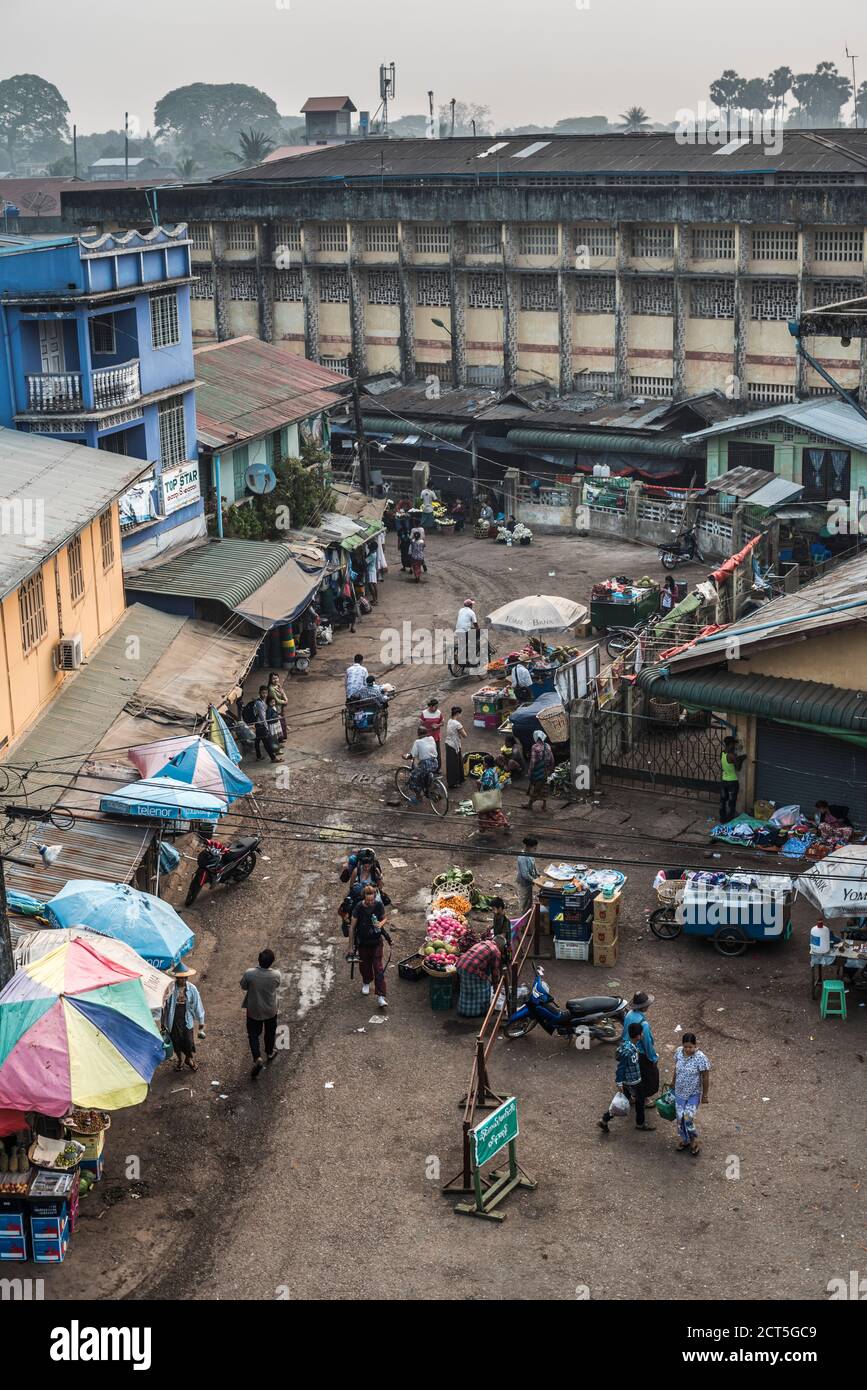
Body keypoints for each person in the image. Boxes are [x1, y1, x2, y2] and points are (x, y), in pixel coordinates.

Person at [598, 1022, 656, 1133]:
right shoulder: (629, 1051)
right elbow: (621, 1067)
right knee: (640, 1102)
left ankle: (605, 1119)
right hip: (634, 1082)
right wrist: (618, 1082)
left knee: (620, 1102)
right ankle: (640, 1123)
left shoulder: (629, 1045)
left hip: (627, 1082)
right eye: (642, 1033)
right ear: (638, 1036)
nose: (643, 1035)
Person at [241, 948, 283, 1079]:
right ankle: (269, 1053)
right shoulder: (276, 975)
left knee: (253, 1035)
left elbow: (244, 986)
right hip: (270, 1010)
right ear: (272, 962)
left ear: (258, 960)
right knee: (270, 1032)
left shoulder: (250, 974)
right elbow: (277, 986)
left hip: (254, 1010)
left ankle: (257, 1057)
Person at [348, 884, 390, 1008]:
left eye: (372, 900)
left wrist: (380, 924)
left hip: (376, 941)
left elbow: (384, 918)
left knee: (378, 968)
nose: (370, 902)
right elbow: (352, 927)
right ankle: (366, 982)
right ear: (364, 898)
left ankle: (381, 996)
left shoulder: (378, 905)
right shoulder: (358, 907)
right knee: (365, 965)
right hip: (363, 942)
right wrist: (350, 946)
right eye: (368, 900)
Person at [672, 1032, 711, 1156]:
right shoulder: (678, 1052)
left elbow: (705, 1077)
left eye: (690, 1047)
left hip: (693, 1095)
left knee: (688, 1118)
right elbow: (675, 1068)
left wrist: (705, 1095)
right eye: (685, 1047)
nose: (688, 1049)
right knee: (679, 1118)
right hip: (679, 1093)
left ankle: (693, 1140)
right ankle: (685, 1139)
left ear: (695, 1045)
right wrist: (673, 1082)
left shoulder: (701, 1058)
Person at [162, 963, 205, 1073]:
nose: (182, 980)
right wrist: (163, 1022)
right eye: (180, 978)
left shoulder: (192, 989)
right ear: (176, 978)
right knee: (176, 1041)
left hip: (187, 1018)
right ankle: (180, 1060)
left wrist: (201, 1023)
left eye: (184, 978)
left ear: (187, 978)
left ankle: (188, 1059)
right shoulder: (170, 988)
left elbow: (197, 1005)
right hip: (173, 1018)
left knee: (188, 1041)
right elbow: (164, 1005)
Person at [622, 991, 660, 1105]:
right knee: (647, 1076)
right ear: (644, 1006)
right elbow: (647, 1044)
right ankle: (644, 1098)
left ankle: (631, 1095)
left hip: (628, 1048)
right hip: (641, 1054)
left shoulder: (629, 1015)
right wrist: (653, 1058)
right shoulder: (644, 1024)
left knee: (631, 1074)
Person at [456, 935, 505, 1017]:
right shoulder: (496, 951)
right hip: (471, 969)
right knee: (485, 986)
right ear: (500, 946)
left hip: (460, 965)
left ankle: (463, 1010)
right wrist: (495, 988)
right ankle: (480, 1012)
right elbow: (495, 972)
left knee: (466, 990)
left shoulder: (483, 943)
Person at [476, 754, 510, 835]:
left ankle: (482, 829)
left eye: (484, 762)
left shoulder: (487, 772)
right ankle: (505, 823)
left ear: (486, 764)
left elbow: (486, 784)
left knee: (482, 812)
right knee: (495, 812)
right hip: (494, 794)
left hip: (488, 795)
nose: (483, 763)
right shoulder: (494, 770)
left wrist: (479, 782)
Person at [406, 725, 438, 801]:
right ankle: (428, 787)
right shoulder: (431, 738)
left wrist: (405, 756)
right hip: (435, 762)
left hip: (425, 765)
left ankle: (418, 797)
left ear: (418, 734)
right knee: (423, 774)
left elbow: (412, 755)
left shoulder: (417, 742)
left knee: (413, 776)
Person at [524, 729, 554, 810]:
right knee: (544, 787)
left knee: (535, 788)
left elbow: (532, 762)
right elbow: (552, 759)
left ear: (536, 737)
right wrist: (550, 770)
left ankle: (529, 804)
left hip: (537, 771)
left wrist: (530, 771)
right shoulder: (547, 746)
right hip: (545, 771)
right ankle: (544, 806)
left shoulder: (535, 747)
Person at [516, 836, 544, 917]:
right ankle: (523, 921)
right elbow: (525, 874)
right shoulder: (522, 857)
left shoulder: (530, 854)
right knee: (524, 903)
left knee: (529, 901)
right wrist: (536, 881)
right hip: (524, 883)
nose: (535, 850)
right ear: (528, 847)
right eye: (534, 848)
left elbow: (534, 865)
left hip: (529, 883)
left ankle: (528, 917)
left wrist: (538, 875)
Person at [720, 736, 745, 823]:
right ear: (731, 744)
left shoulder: (722, 753)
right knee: (731, 802)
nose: (734, 746)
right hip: (732, 782)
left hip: (724, 780)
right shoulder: (732, 755)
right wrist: (741, 759)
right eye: (734, 744)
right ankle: (730, 820)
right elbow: (738, 768)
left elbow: (728, 764)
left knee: (723, 800)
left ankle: (722, 819)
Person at [253, 685, 280, 762]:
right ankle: (273, 758)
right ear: (259, 693)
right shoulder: (259, 703)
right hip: (261, 725)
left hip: (258, 725)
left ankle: (258, 756)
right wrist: (266, 727)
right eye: (262, 693)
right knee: (266, 742)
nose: (264, 695)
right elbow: (262, 717)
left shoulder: (261, 701)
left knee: (257, 741)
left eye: (266, 693)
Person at [444, 705, 467, 789]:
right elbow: (465, 735)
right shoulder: (457, 724)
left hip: (450, 744)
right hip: (453, 745)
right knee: (454, 765)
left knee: (456, 762)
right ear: (457, 713)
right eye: (460, 714)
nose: (461, 715)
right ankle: (453, 783)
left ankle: (460, 779)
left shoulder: (450, 721)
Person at [420, 697, 444, 769]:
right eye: (435, 707)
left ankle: (437, 768)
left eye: (437, 707)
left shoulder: (438, 713)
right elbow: (420, 724)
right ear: (430, 706)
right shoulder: (424, 713)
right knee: (427, 753)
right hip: (426, 737)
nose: (436, 708)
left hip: (435, 737)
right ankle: (427, 767)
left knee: (436, 753)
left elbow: (442, 723)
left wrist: (438, 725)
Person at [266, 672, 288, 738]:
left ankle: (283, 736)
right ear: (270, 680)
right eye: (273, 679)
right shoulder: (271, 689)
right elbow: (276, 700)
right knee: (279, 722)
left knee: (282, 721)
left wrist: (286, 699)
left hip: (281, 707)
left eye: (276, 678)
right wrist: (285, 701)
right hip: (276, 708)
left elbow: (283, 693)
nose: (275, 680)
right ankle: (280, 737)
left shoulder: (278, 685)